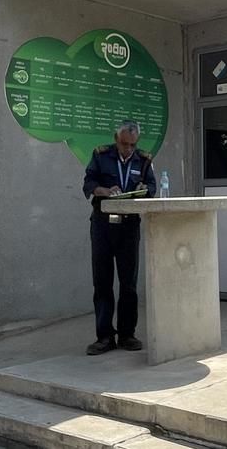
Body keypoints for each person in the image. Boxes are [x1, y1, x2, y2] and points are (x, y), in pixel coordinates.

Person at [82, 120, 157, 355]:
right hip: (103, 225)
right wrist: (103, 191)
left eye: (133, 145)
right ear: (116, 139)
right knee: (102, 282)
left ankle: (127, 334)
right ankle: (104, 337)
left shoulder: (144, 160)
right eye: (124, 144)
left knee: (128, 283)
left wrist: (145, 189)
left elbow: (152, 186)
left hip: (129, 226)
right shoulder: (101, 155)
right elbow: (88, 182)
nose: (128, 149)